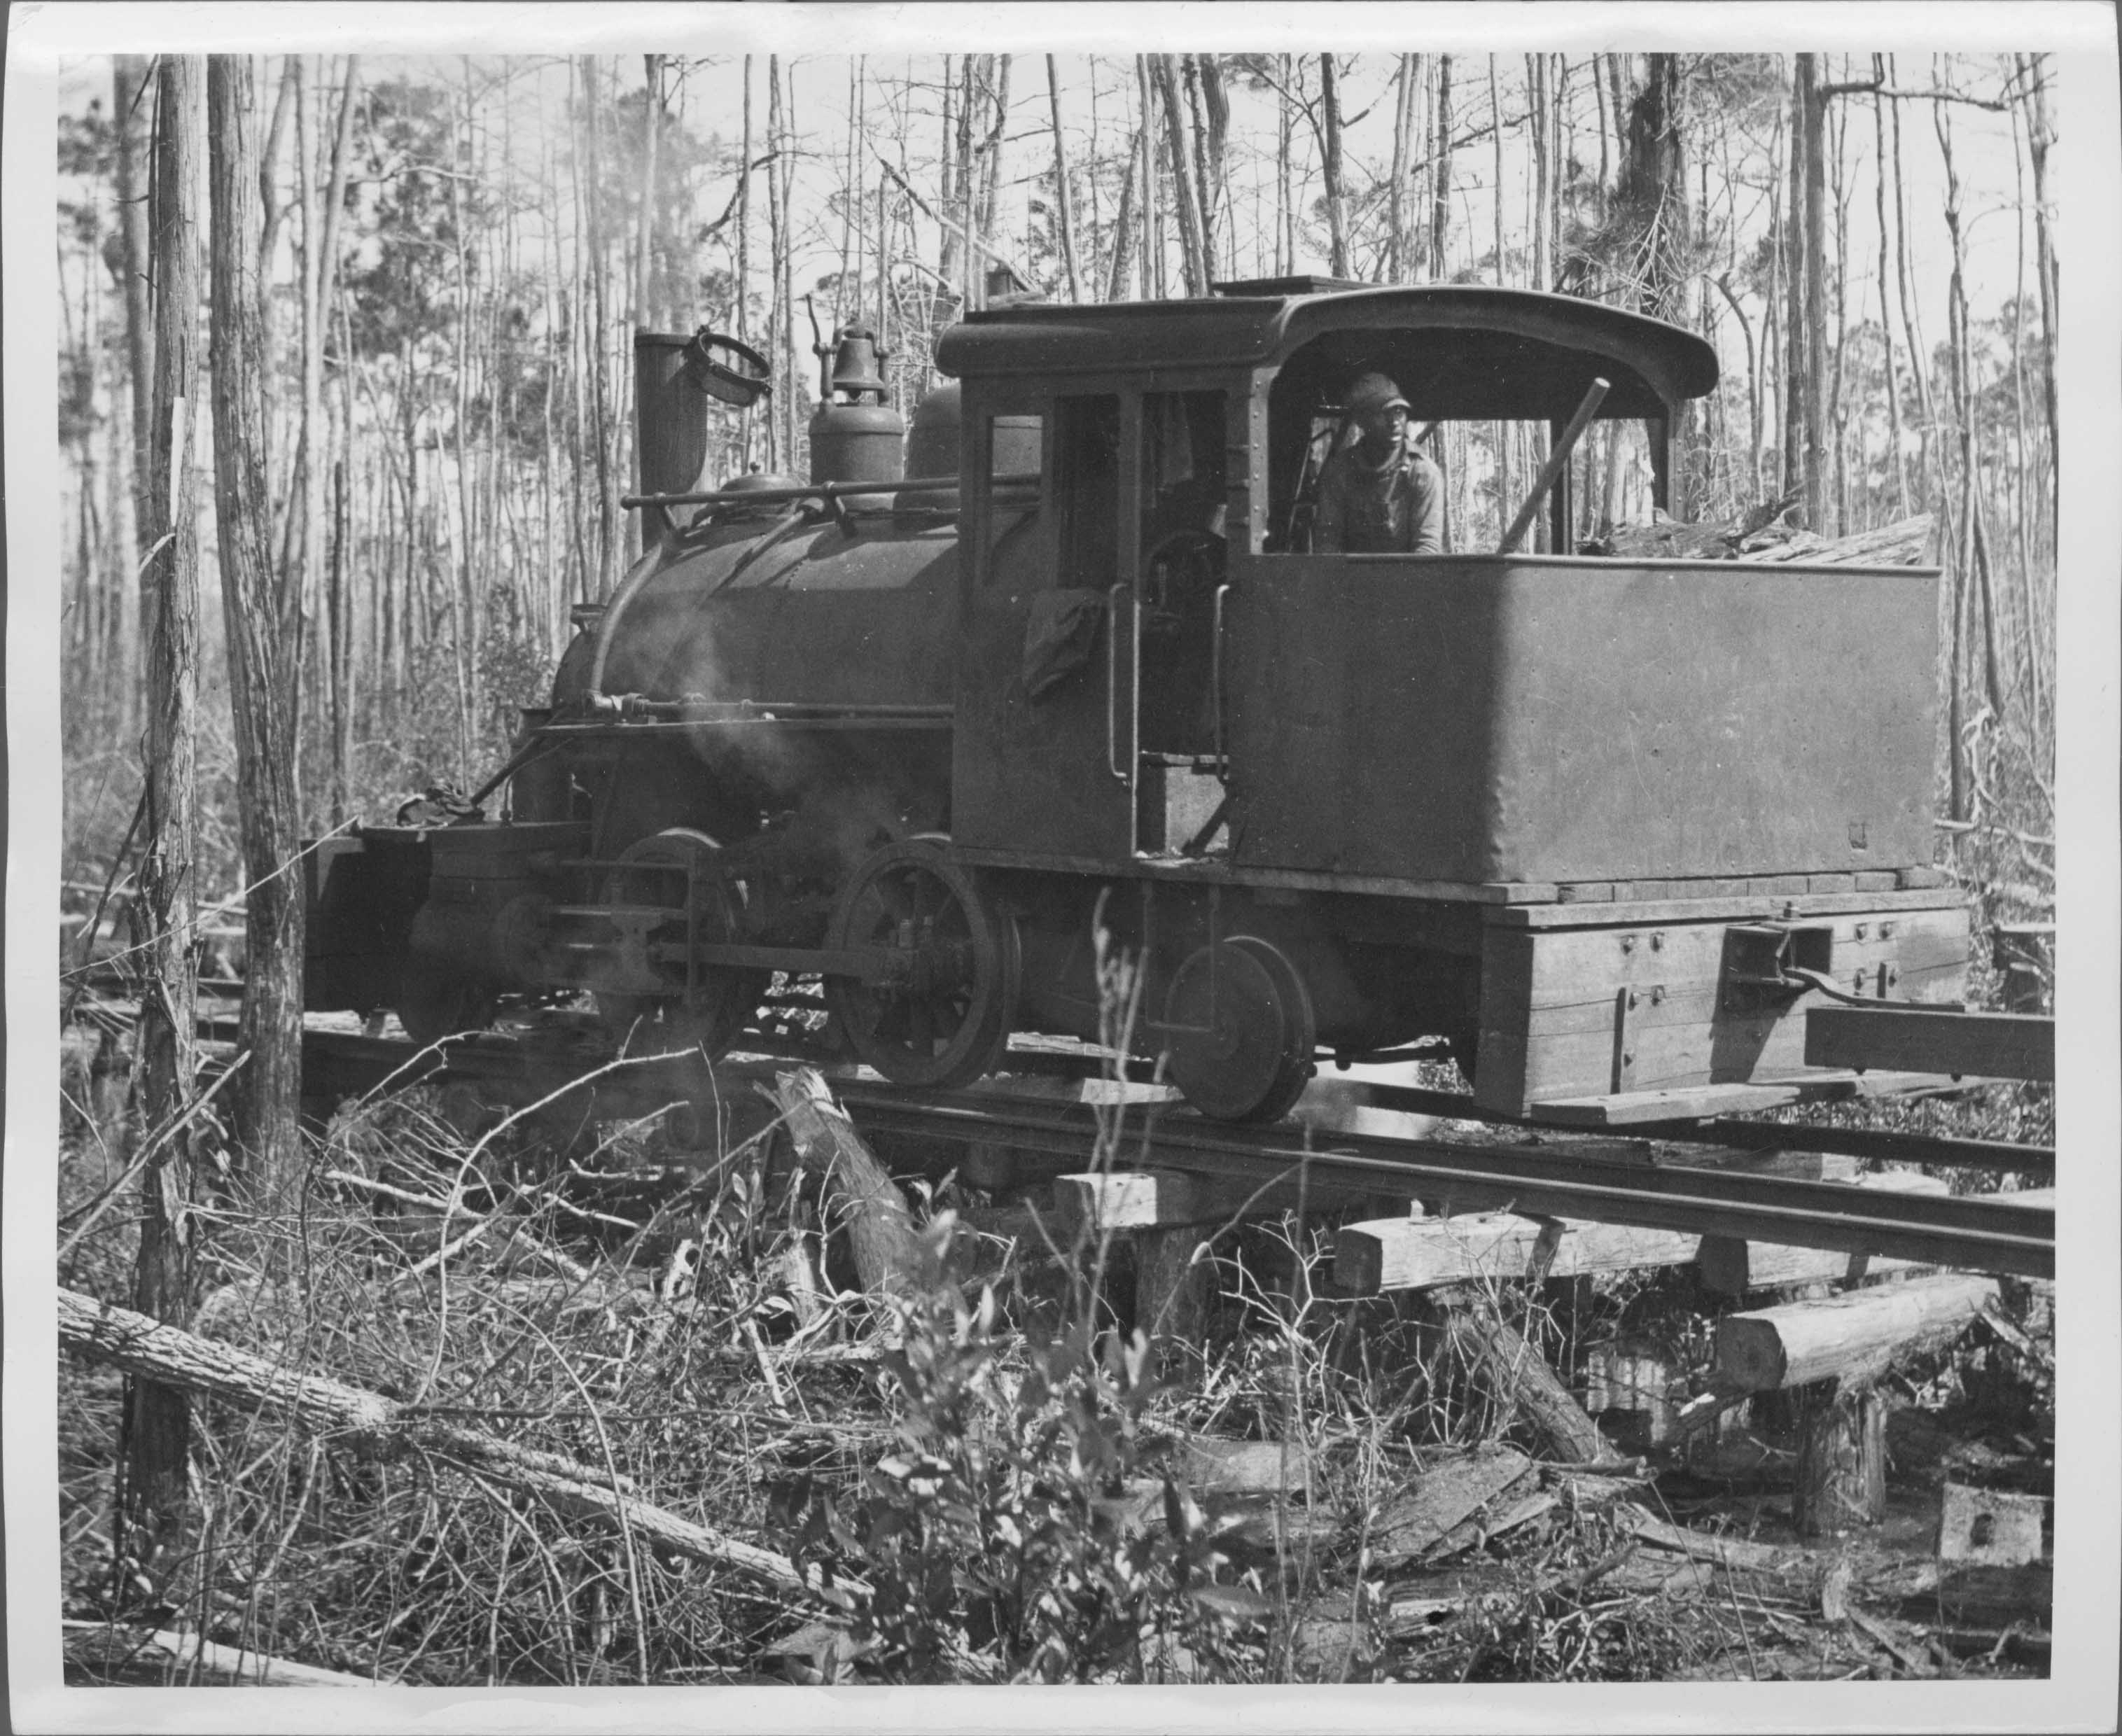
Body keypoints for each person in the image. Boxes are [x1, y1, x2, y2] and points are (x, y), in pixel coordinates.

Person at [1312, 372, 1446, 555]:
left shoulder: (1422, 473)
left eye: (1399, 412)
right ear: (1361, 421)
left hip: (1409, 579)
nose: (1395, 422)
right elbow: (1328, 543)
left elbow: (1427, 549)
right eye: (1384, 414)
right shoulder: (1339, 473)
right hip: (1349, 580)